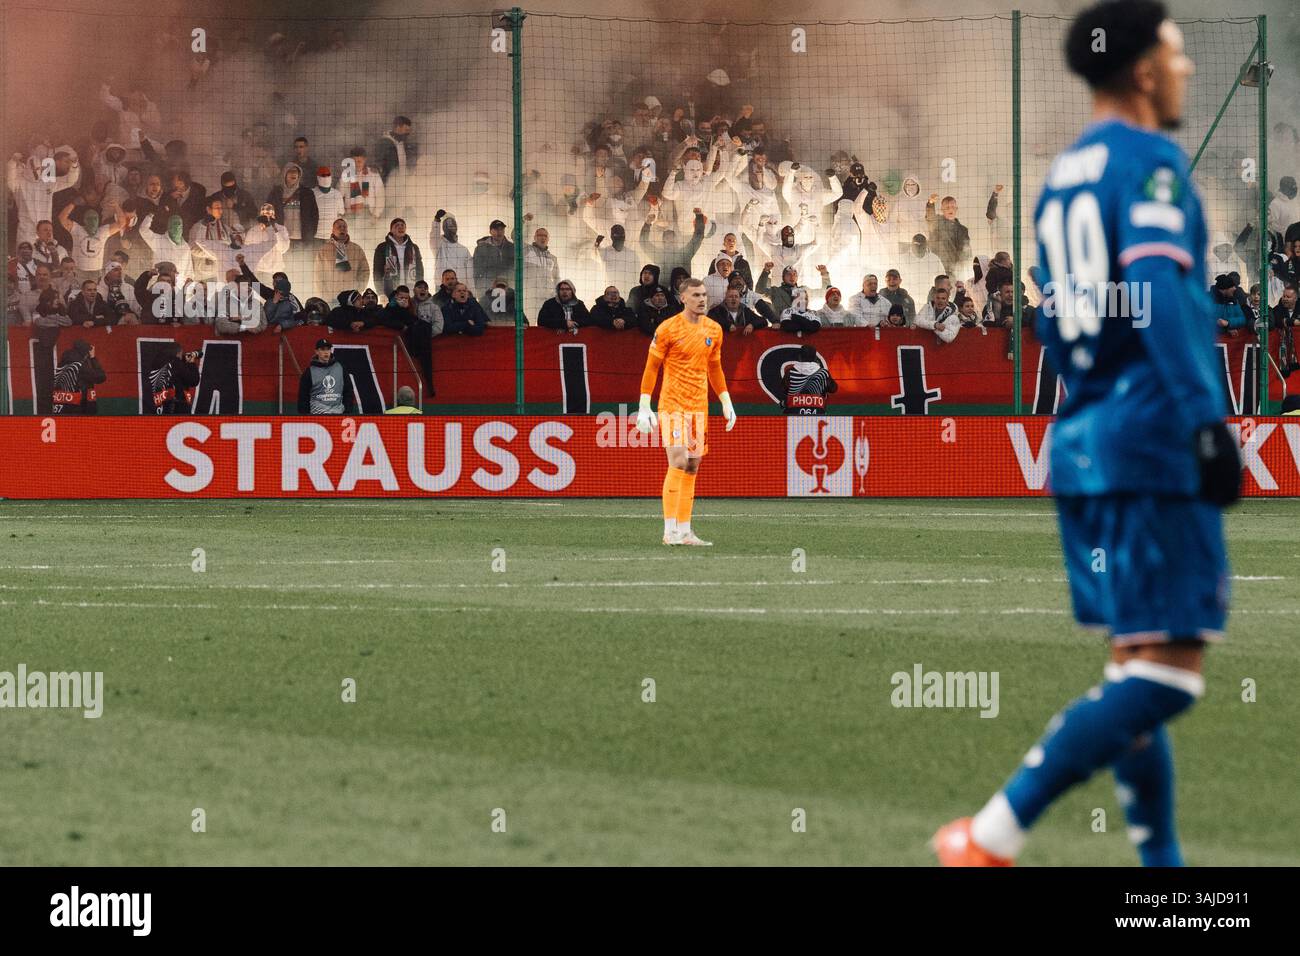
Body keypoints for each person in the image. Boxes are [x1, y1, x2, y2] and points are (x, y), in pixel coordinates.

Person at [935, 1, 1242, 869]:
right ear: (1144, 69)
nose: (1184, 70)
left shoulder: (1066, 174)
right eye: (1177, 55)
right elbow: (1158, 293)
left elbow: (1066, 316)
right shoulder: (1149, 162)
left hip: (1083, 437)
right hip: (1150, 437)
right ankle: (993, 835)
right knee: (1170, 676)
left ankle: (1163, 878)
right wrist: (1203, 421)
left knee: (1133, 666)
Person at [635, 277, 737, 546]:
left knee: (692, 466)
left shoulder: (714, 330)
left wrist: (725, 401)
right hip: (672, 405)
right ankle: (670, 532)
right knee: (678, 461)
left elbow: (714, 367)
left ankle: (685, 530)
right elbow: (651, 367)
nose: (702, 299)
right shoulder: (668, 328)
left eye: (704, 294)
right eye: (695, 295)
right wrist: (644, 404)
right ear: (683, 298)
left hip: (699, 407)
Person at [298, 338, 357, 414]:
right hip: (316, 416)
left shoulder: (340, 368)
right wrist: (305, 417)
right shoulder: (309, 372)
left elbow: (348, 391)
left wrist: (347, 411)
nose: (326, 352)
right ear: (316, 351)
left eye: (328, 349)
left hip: (338, 416)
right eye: (322, 349)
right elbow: (303, 397)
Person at [51, 339, 106, 415]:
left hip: (61, 407)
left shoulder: (63, 364)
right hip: (77, 409)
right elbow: (101, 377)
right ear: (85, 352)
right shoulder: (79, 366)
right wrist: (93, 358)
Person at [781, 344, 837, 415]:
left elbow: (783, 389)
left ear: (799, 357)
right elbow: (833, 389)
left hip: (793, 412)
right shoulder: (823, 373)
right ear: (815, 358)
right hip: (818, 412)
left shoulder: (790, 372)